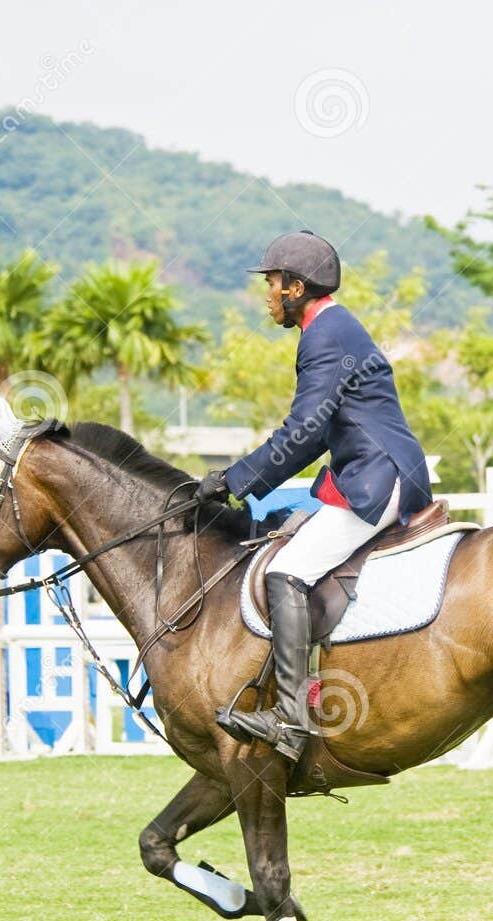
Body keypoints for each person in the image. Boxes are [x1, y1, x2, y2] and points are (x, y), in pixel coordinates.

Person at [194, 231, 433, 762]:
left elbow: (303, 432)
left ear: (297, 288)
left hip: (378, 476)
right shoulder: (332, 329)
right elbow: (316, 433)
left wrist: (233, 480)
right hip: (374, 471)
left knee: (287, 570)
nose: (267, 295)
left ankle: (291, 718)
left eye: (273, 283)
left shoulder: (325, 335)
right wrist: (240, 481)